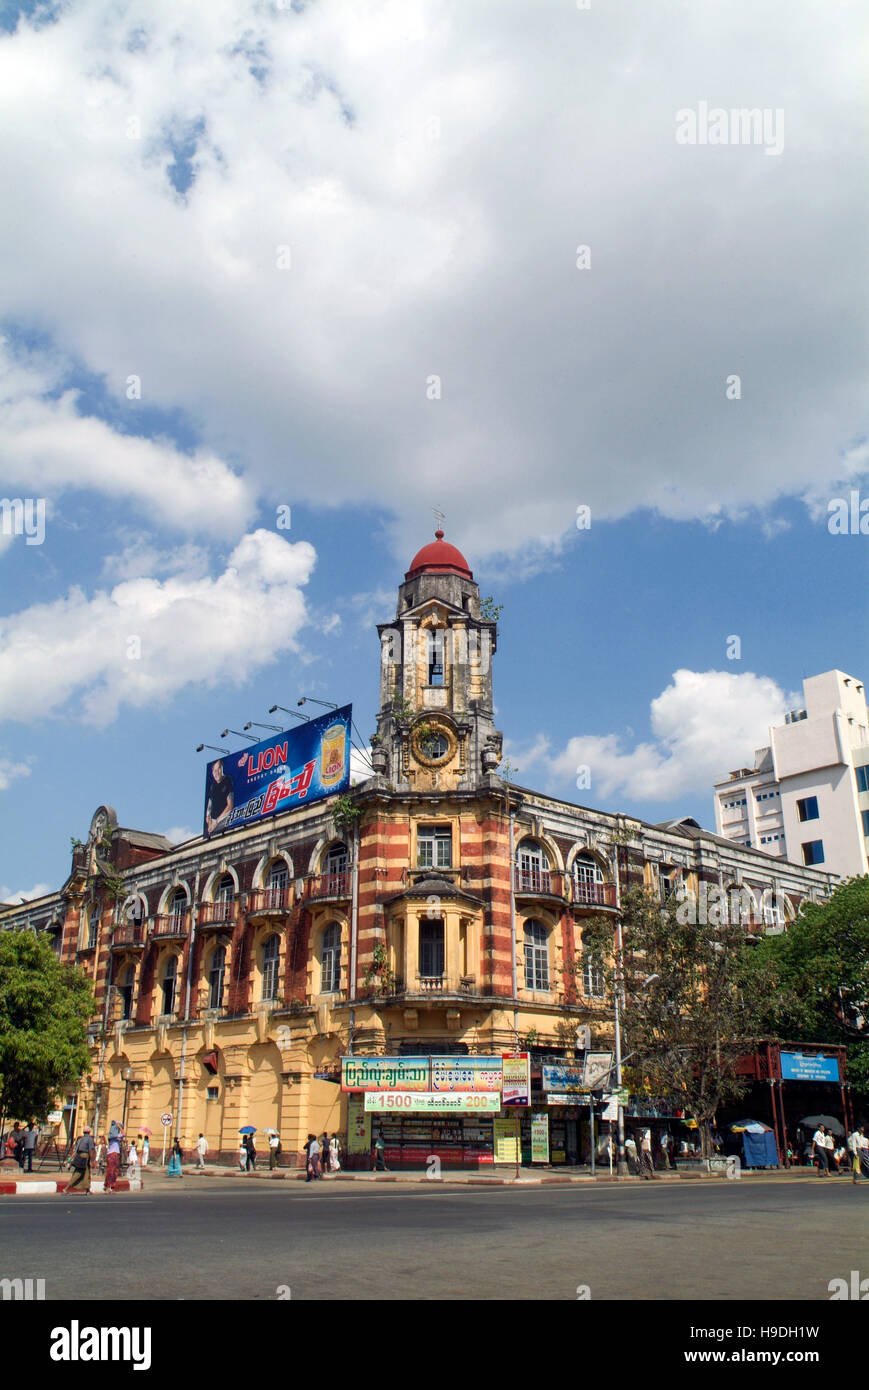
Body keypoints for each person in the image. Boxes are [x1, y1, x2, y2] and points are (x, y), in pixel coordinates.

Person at [205, 759, 234, 835]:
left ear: (222, 769)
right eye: (214, 770)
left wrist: (217, 822)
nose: (216, 772)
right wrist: (208, 818)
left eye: (219, 769)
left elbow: (230, 805)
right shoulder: (213, 786)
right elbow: (210, 804)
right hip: (213, 822)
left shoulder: (227, 780)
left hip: (223, 820)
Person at [67, 1127, 96, 1195]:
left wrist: (71, 1159)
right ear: (89, 1132)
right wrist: (92, 1161)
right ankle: (66, 1188)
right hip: (85, 1157)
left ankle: (88, 1190)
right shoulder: (90, 1139)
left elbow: (75, 1150)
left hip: (79, 1156)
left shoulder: (80, 1139)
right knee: (78, 1174)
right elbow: (90, 1150)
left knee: (87, 1174)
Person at [105, 1122, 123, 1192]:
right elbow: (123, 1133)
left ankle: (112, 1186)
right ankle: (107, 1186)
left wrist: (119, 1127)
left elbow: (123, 1134)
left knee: (115, 1171)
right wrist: (119, 1127)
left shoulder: (117, 1136)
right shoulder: (112, 1136)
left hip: (116, 1154)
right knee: (110, 1171)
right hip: (112, 1154)